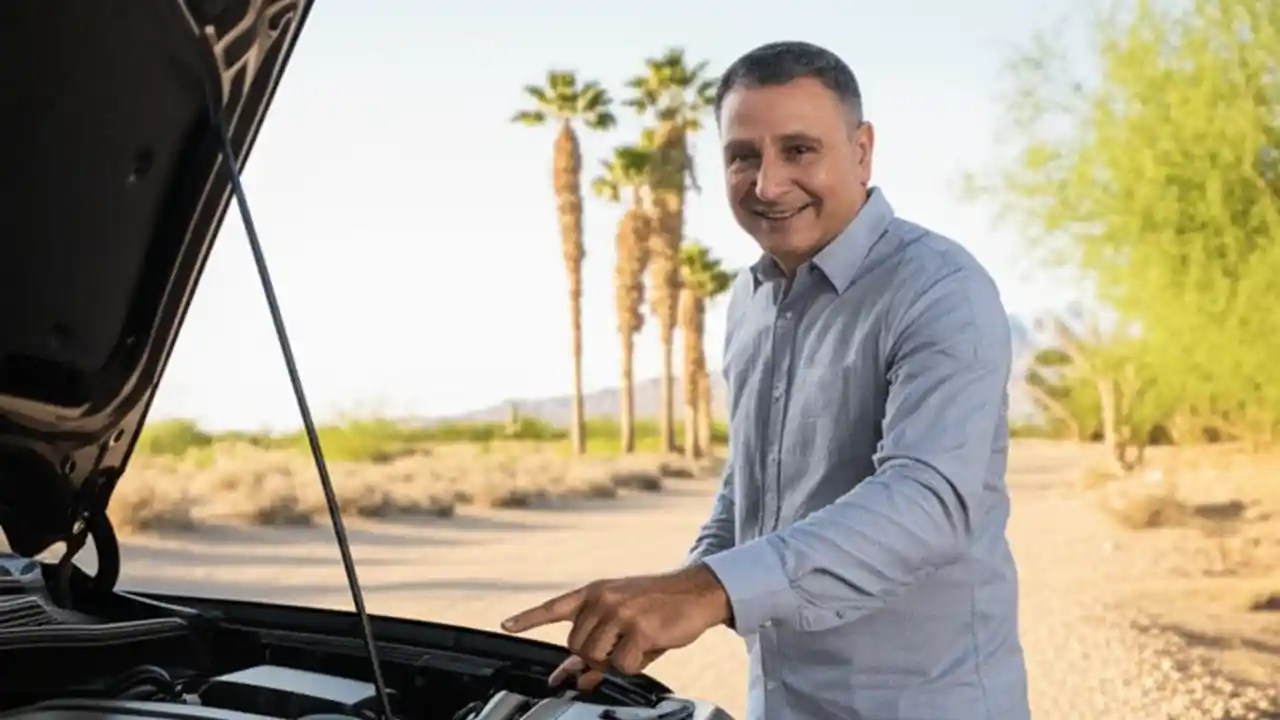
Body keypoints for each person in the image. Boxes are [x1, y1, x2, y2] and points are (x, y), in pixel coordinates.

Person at [501, 40, 1030, 720]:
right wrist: (664, 605)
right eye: (743, 156)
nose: (768, 184)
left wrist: (708, 590)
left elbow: (928, 500)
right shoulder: (751, 300)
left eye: (799, 150)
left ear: (862, 150)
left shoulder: (940, 289)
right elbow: (752, 484)